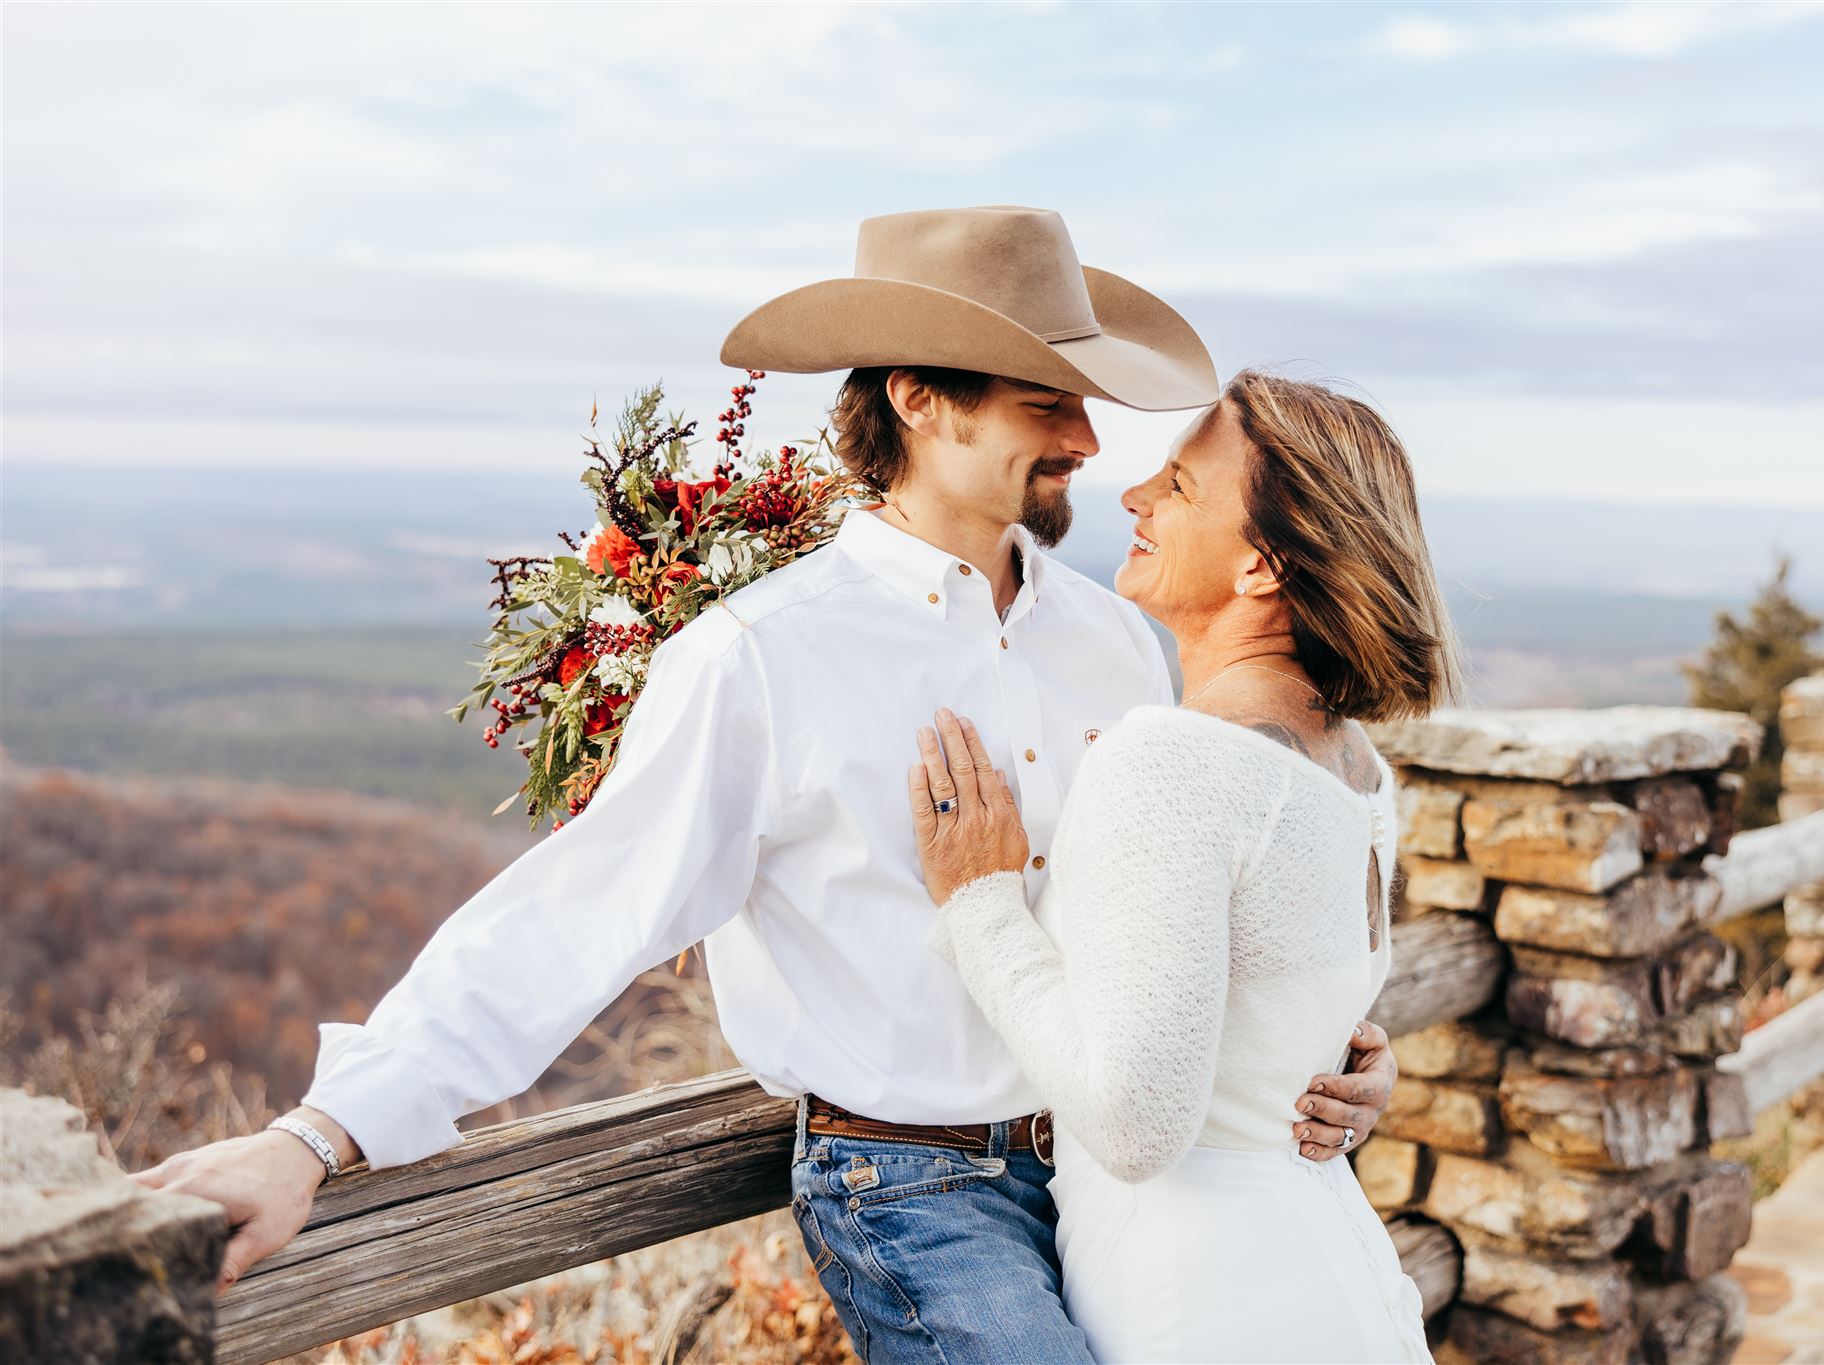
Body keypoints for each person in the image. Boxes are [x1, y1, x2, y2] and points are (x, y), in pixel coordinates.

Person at [130, 207, 1402, 1363]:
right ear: (920, 399)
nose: (1084, 439)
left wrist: (1321, 1050)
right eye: (1044, 403)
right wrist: (314, 1136)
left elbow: (1184, 905)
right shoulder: (760, 659)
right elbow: (574, 917)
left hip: (1117, 1180)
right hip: (918, 1191)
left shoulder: (1116, 640)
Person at [904, 368, 1466, 1362]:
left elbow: (1133, 1125)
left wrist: (981, 905)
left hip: (1202, 1297)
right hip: (1328, 1266)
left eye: (1177, 486)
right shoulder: (1353, 765)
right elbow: (1284, 1013)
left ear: (1261, 567)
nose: (1132, 496)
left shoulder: (1170, 759)